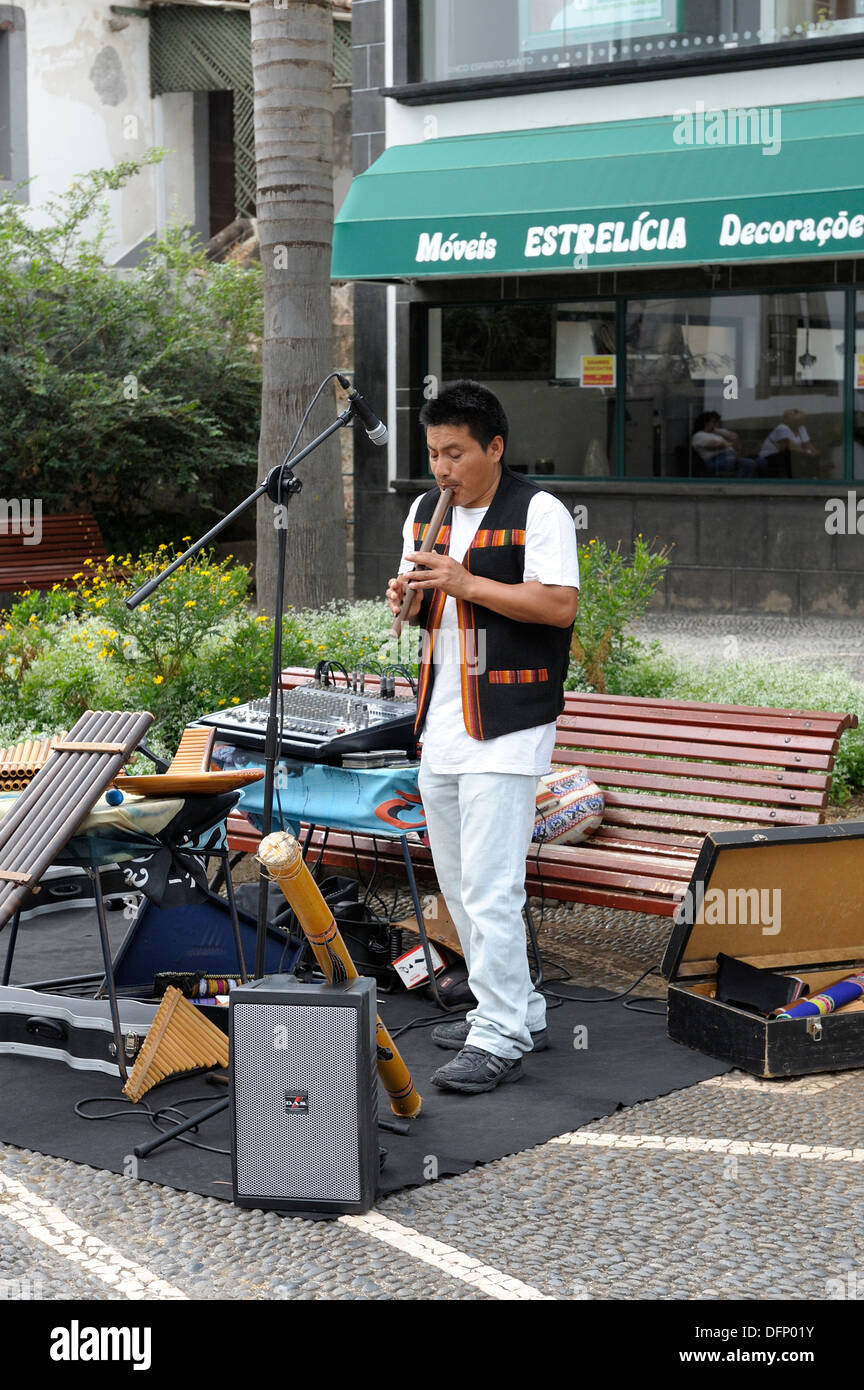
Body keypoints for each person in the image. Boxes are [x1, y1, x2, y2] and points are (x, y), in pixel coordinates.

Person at [385, 381, 580, 1094]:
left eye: (456, 453)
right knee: (461, 885)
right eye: (433, 452)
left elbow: (558, 607)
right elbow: (426, 612)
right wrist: (409, 602)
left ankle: (497, 1034)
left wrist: (465, 584)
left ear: (495, 447)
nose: (442, 469)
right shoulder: (420, 513)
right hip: (441, 723)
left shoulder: (538, 511)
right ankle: (517, 1008)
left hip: (508, 722)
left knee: (493, 888)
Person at [690, 412, 755, 476]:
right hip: (715, 460)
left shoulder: (719, 432)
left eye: (717, 421)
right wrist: (730, 443)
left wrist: (719, 432)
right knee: (734, 462)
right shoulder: (699, 435)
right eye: (713, 422)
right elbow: (716, 445)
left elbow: (735, 437)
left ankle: (741, 483)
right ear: (705, 423)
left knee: (750, 463)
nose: (716, 424)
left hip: (730, 456)